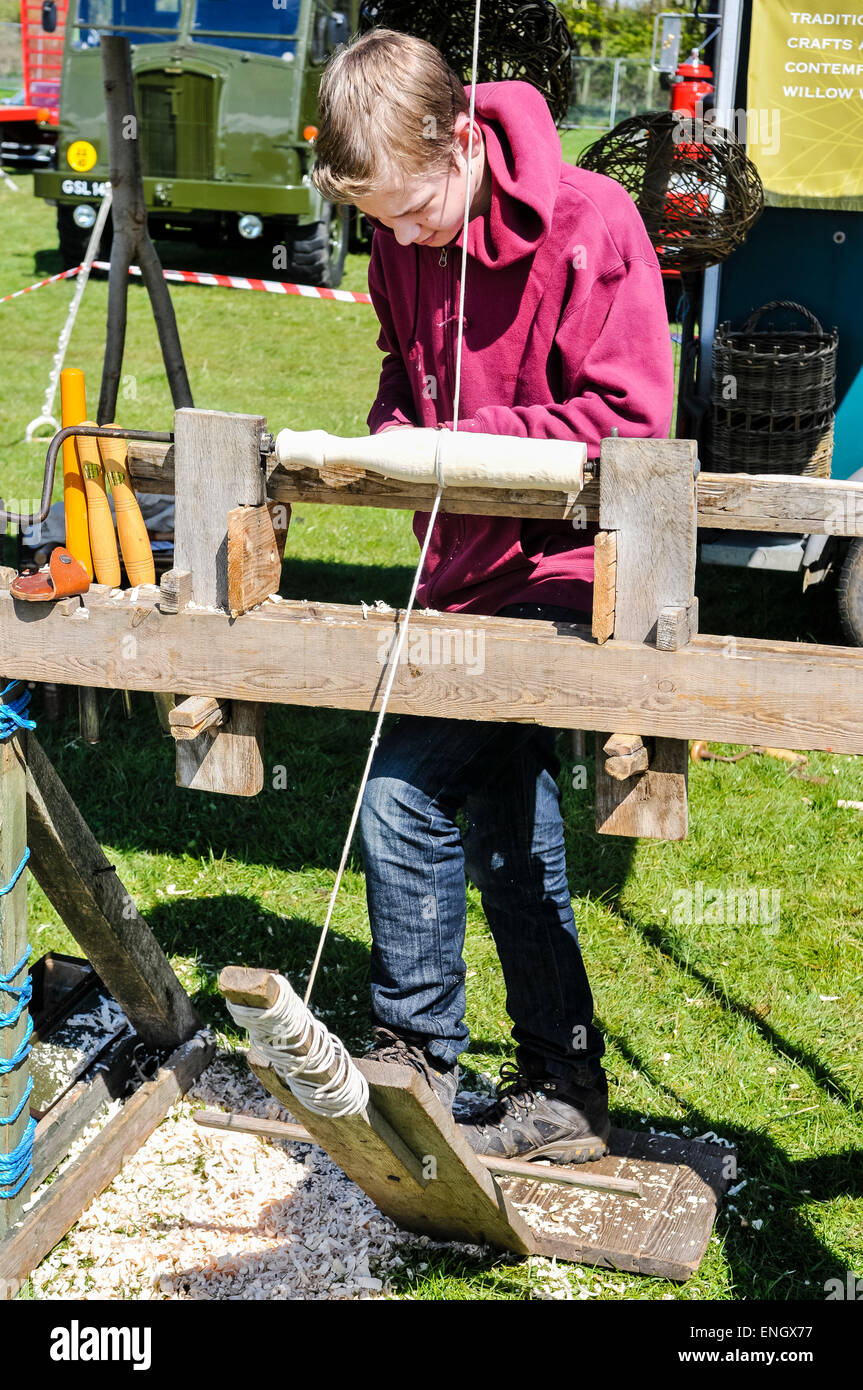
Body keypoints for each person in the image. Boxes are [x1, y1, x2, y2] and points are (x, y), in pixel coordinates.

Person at [310, 29, 673, 1162]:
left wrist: (457, 439)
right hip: (460, 573)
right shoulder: (399, 234)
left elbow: (631, 423)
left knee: (405, 795)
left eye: (415, 211)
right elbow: (399, 372)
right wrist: (385, 439)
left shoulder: (591, 223)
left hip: (566, 573)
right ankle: (564, 1087)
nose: (402, 239)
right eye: (378, 222)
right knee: (511, 830)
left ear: (465, 141)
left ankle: (411, 1058)